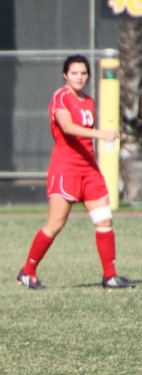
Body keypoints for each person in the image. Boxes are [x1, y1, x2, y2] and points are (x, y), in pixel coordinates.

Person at [17, 54, 135, 290]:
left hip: (89, 170)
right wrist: (99, 134)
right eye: (74, 73)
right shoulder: (61, 97)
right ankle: (27, 272)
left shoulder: (89, 101)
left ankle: (110, 276)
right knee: (56, 224)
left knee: (104, 220)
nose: (79, 77)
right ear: (65, 75)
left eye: (83, 73)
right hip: (65, 170)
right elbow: (68, 127)